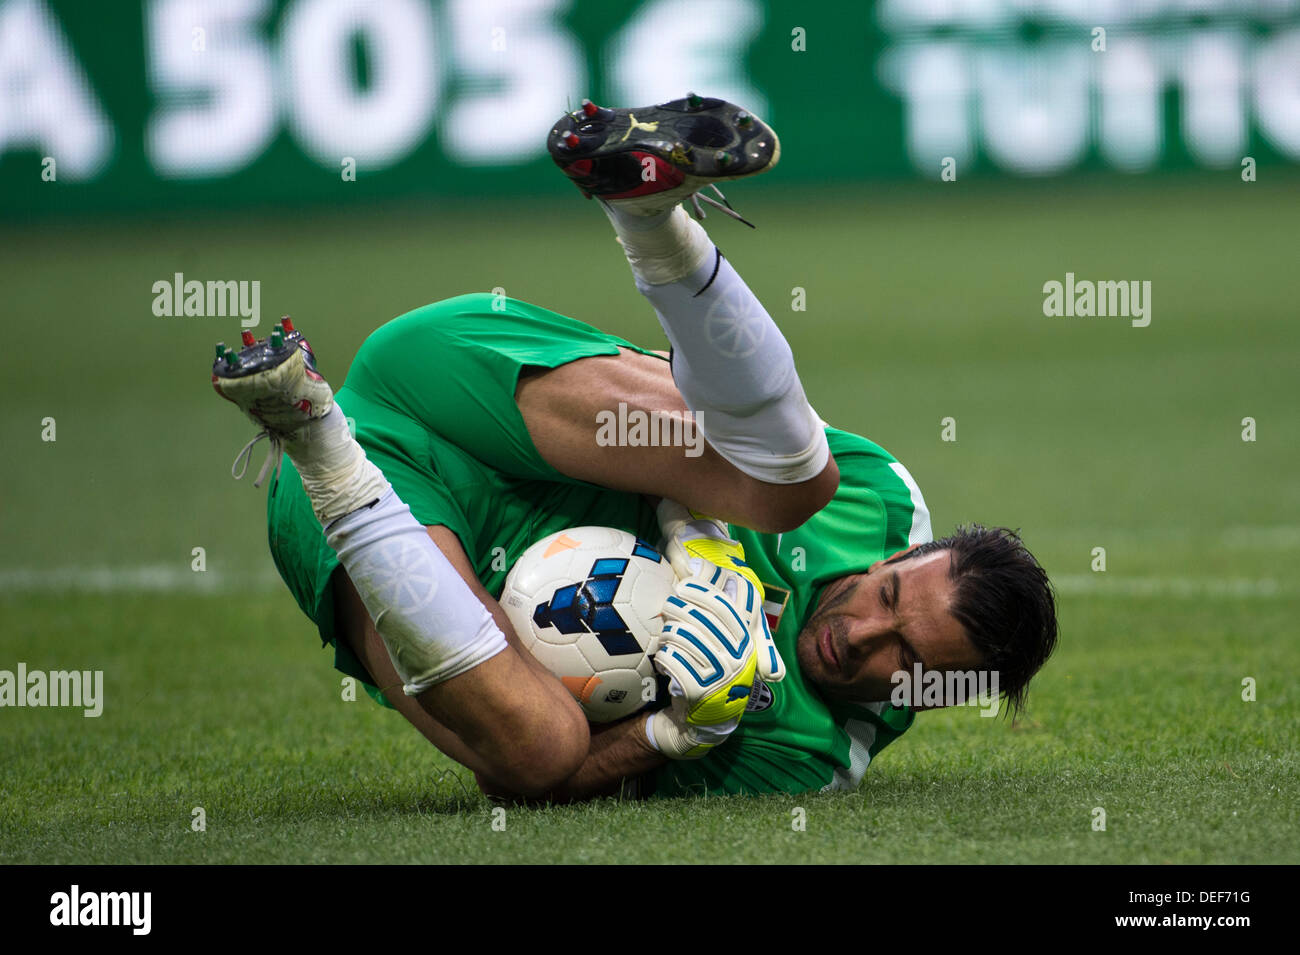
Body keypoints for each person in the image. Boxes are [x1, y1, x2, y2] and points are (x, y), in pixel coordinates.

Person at [211, 95, 1058, 801]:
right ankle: (648, 212)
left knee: (537, 754)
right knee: (795, 481)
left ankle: (311, 430)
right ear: (908, 555)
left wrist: (680, 729)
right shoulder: (882, 500)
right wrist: (703, 542)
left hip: (379, 511)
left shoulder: (808, 757)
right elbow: (675, 396)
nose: (864, 634)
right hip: (476, 389)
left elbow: (537, 786)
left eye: (907, 661)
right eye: (890, 594)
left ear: (940, 695)